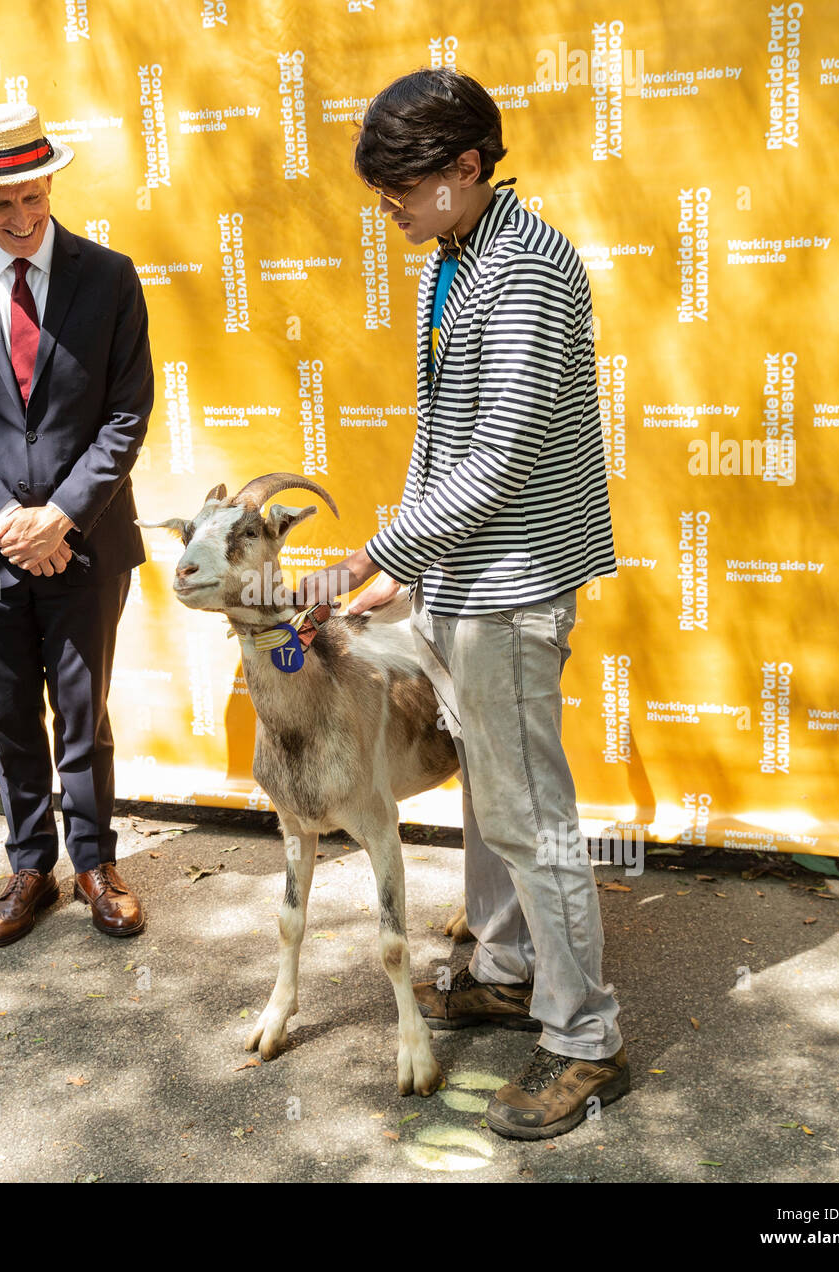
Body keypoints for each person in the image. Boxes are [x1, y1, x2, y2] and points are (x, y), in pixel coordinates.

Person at [297, 68, 628, 1139]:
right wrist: (410, 565)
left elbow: (496, 461)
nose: (385, 204)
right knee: (491, 795)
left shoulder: (525, 271)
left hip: (514, 585)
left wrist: (363, 560)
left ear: (465, 169)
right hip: (463, 577)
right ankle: (507, 968)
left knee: (532, 819)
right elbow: (450, 434)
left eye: (401, 184)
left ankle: (585, 1043)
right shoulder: (460, 254)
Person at [0, 102, 152, 945]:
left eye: (32, 196)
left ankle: (95, 864)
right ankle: (27, 868)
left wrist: (64, 518)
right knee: (7, 717)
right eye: (0, 204)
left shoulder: (110, 275)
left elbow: (126, 414)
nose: (20, 218)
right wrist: (10, 519)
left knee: (84, 715)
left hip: (87, 545)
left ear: (49, 181)